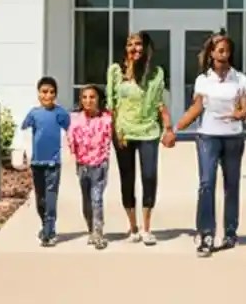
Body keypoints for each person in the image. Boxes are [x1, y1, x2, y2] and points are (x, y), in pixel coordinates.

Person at [174, 29, 246, 257]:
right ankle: (206, 233)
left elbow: (245, 106)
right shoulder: (203, 80)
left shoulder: (240, 79)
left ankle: (229, 232)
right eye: (220, 50)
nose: (224, 53)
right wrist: (175, 130)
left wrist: (243, 114)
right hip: (208, 136)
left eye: (227, 50)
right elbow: (196, 108)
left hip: (233, 138)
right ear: (211, 54)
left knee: (232, 185)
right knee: (206, 183)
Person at [105, 31, 175, 246]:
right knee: (127, 178)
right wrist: (115, 131)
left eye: (138, 44)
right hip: (123, 133)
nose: (134, 48)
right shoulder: (115, 71)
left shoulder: (156, 73)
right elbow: (111, 103)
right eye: (130, 44)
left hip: (149, 131)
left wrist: (168, 128)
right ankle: (132, 226)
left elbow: (159, 103)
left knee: (149, 176)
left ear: (146, 48)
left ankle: (146, 228)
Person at [20, 76, 71, 247]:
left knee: (50, 197)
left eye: (51, 92)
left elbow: (71, 130)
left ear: (55, 94)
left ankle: (50, 232)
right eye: (44, 92)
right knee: (40, 199)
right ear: (38, 94)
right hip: (37, 163)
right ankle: (45, 226)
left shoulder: (60, 113)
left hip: (53, 163)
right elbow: (23, 133)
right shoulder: (33, 114)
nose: (48, 95)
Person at [67, 83, 113, 250]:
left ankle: (98, 232)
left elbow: (112, 135)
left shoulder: (106, 118)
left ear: (99, 99)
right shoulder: (75, 118)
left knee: (96, 198)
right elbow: (71, 139)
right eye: (85, 97)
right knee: (86, 200)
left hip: (100, 164)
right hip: (83, 165)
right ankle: (90, 228)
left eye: (92, 97)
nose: (88, 100)